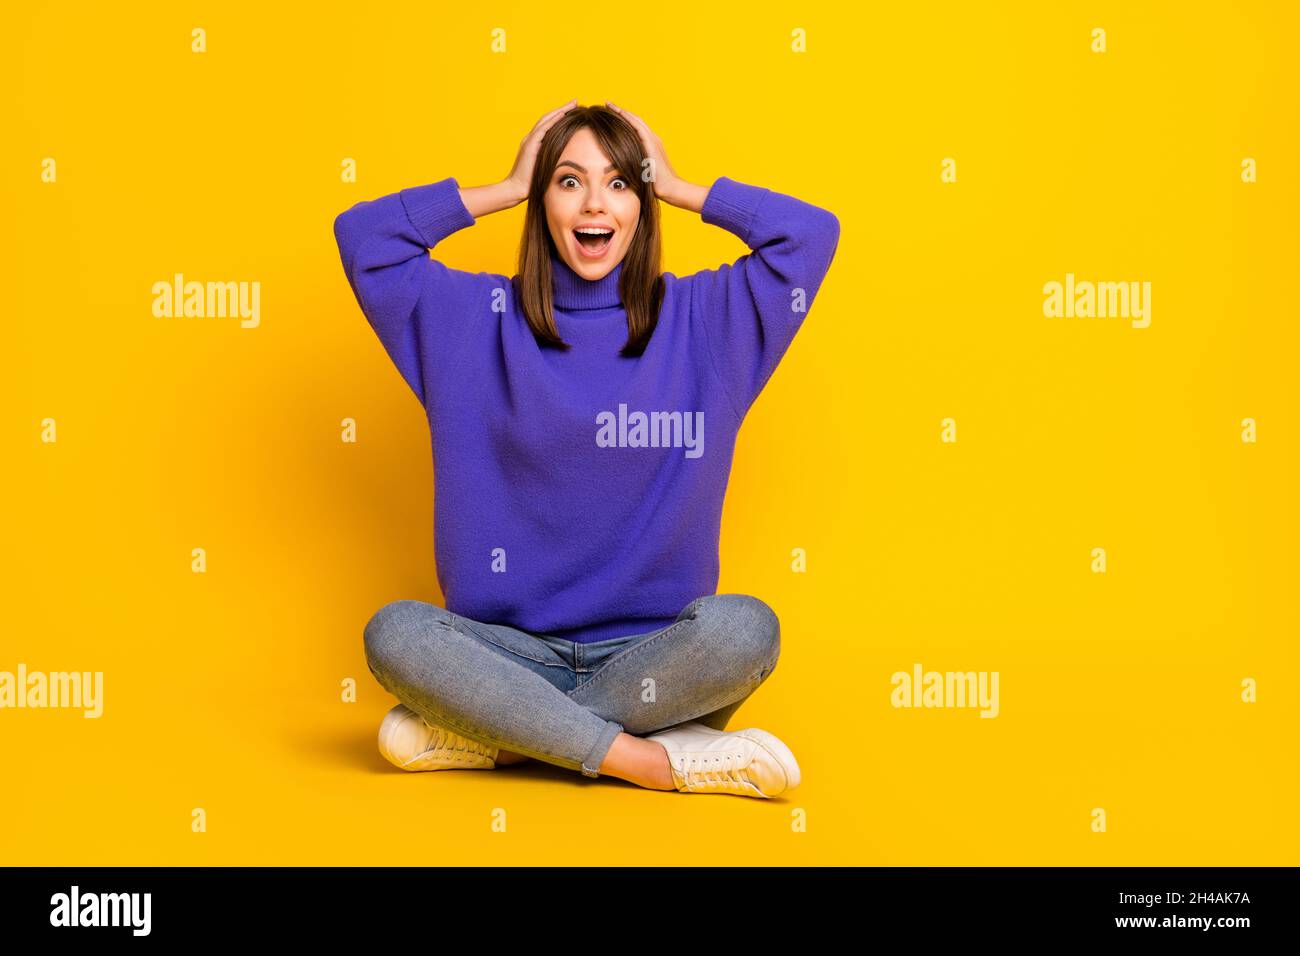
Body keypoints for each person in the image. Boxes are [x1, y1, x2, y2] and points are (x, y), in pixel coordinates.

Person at [332, 100, 840, 798]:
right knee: (395, 634)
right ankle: (653, 761)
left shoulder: (704, 322)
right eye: (568, 180)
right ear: (542, 203)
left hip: (655, 660)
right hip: (504, 654)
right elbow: (364, 239)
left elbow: (811, 235)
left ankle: (508, 739)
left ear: (643, 203)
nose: (595, 202)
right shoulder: (471, 324)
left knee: (746, 630)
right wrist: (506, 186)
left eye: (621, 182)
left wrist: (683, 186)